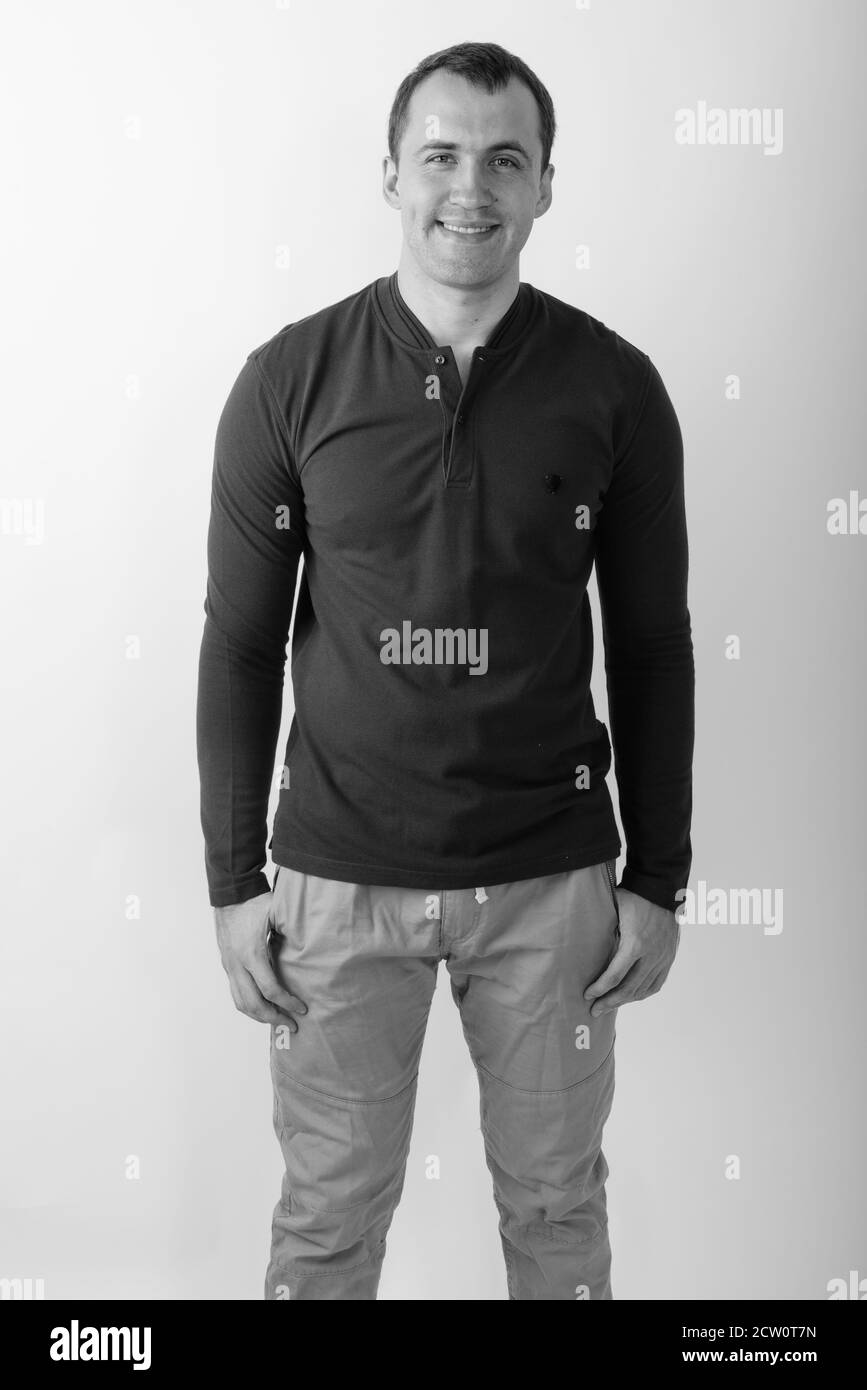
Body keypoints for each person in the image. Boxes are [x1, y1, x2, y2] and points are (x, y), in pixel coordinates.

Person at [196, 39, 694, 1301]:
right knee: (326, 1221)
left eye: (504, 160)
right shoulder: (287, 382)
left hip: (551, 884)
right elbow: (244, 641)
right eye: (442, 157)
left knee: (556, 1211)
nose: (470, 187)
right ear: (390, 175)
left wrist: (661, 878)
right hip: (332, 882)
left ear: (543, 188)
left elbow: (651, 643)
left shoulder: (617, 387)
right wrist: (230, 878)